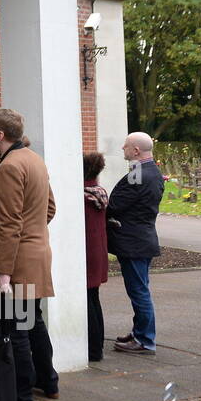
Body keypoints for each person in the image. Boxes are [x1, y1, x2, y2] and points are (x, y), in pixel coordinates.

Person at [0, 107, 58, 401]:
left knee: (16, 331)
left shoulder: (11, 166)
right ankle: (49, 382)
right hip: (35, 254)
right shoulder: (34, 159)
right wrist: (35, 233)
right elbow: (50, 209)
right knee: (33, 323)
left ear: (0, 134)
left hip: (16, 261)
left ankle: (23, 400)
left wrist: (4, 272)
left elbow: (11, 222)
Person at [107, 132, 164, 354]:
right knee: (140, 289)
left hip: (134, 242)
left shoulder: (138, 173)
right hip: (142, 239)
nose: (123, 148)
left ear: (136, 150)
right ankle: (140, 332)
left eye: (126, 145)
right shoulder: (153, 172)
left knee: (139, 291)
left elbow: (117, 204)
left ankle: (144, 339)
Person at [83, 152, 109, 362]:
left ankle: (93, 349)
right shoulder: (98, 193)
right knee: (94, 298)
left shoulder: (82, 197)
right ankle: (96, 345)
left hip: (86, 253)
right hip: (97, 251)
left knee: (88, 300)